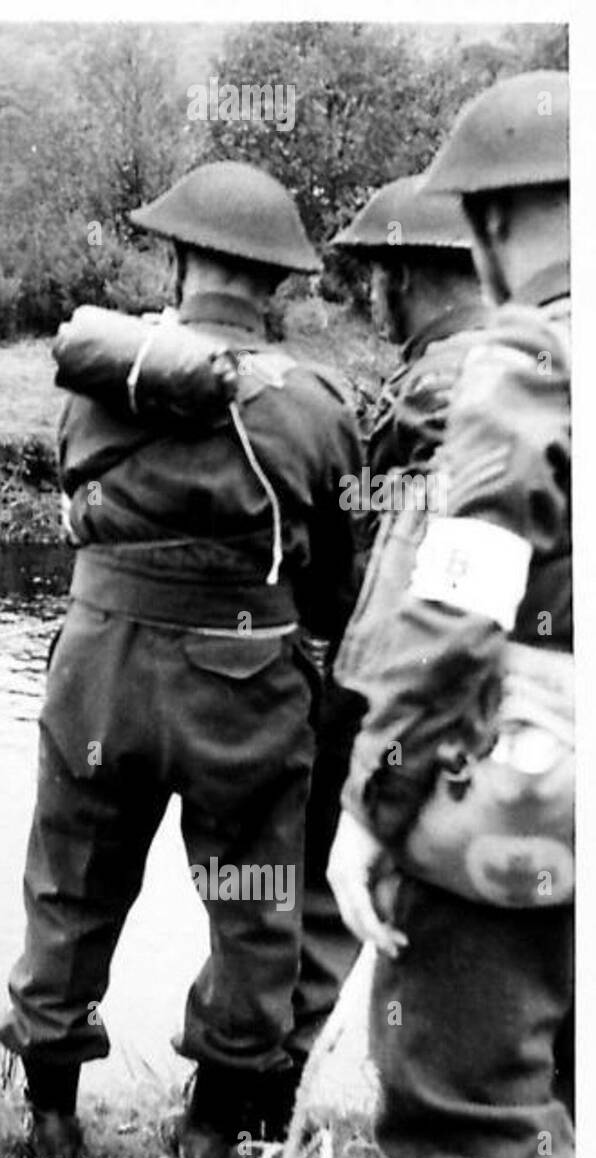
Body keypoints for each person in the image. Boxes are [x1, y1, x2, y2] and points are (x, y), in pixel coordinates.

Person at [0, 161, 364, 1158]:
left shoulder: (103, 380)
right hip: (244, 687)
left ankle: (51, 1123)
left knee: (69, 883)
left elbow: (77, 491)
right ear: (277, 282)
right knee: (252, 902)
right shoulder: (318, 406)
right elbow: (336, 578)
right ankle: (207, 1131)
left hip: (98, 669)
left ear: (177, 255)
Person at [328, 70, 573, 1158]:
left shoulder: (525, 363)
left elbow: (459, 604)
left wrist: (376, 800)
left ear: (482, 222)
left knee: (483, 1122)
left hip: (530, 799)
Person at [291, 176, 492, 1057]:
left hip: (402, 671)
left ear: (405, 277)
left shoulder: (426, 391)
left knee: (322, 887)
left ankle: (281, 1076)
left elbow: (365, 551)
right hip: (505, 681)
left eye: (376, 273)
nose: (370, 292)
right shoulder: (534, 362)